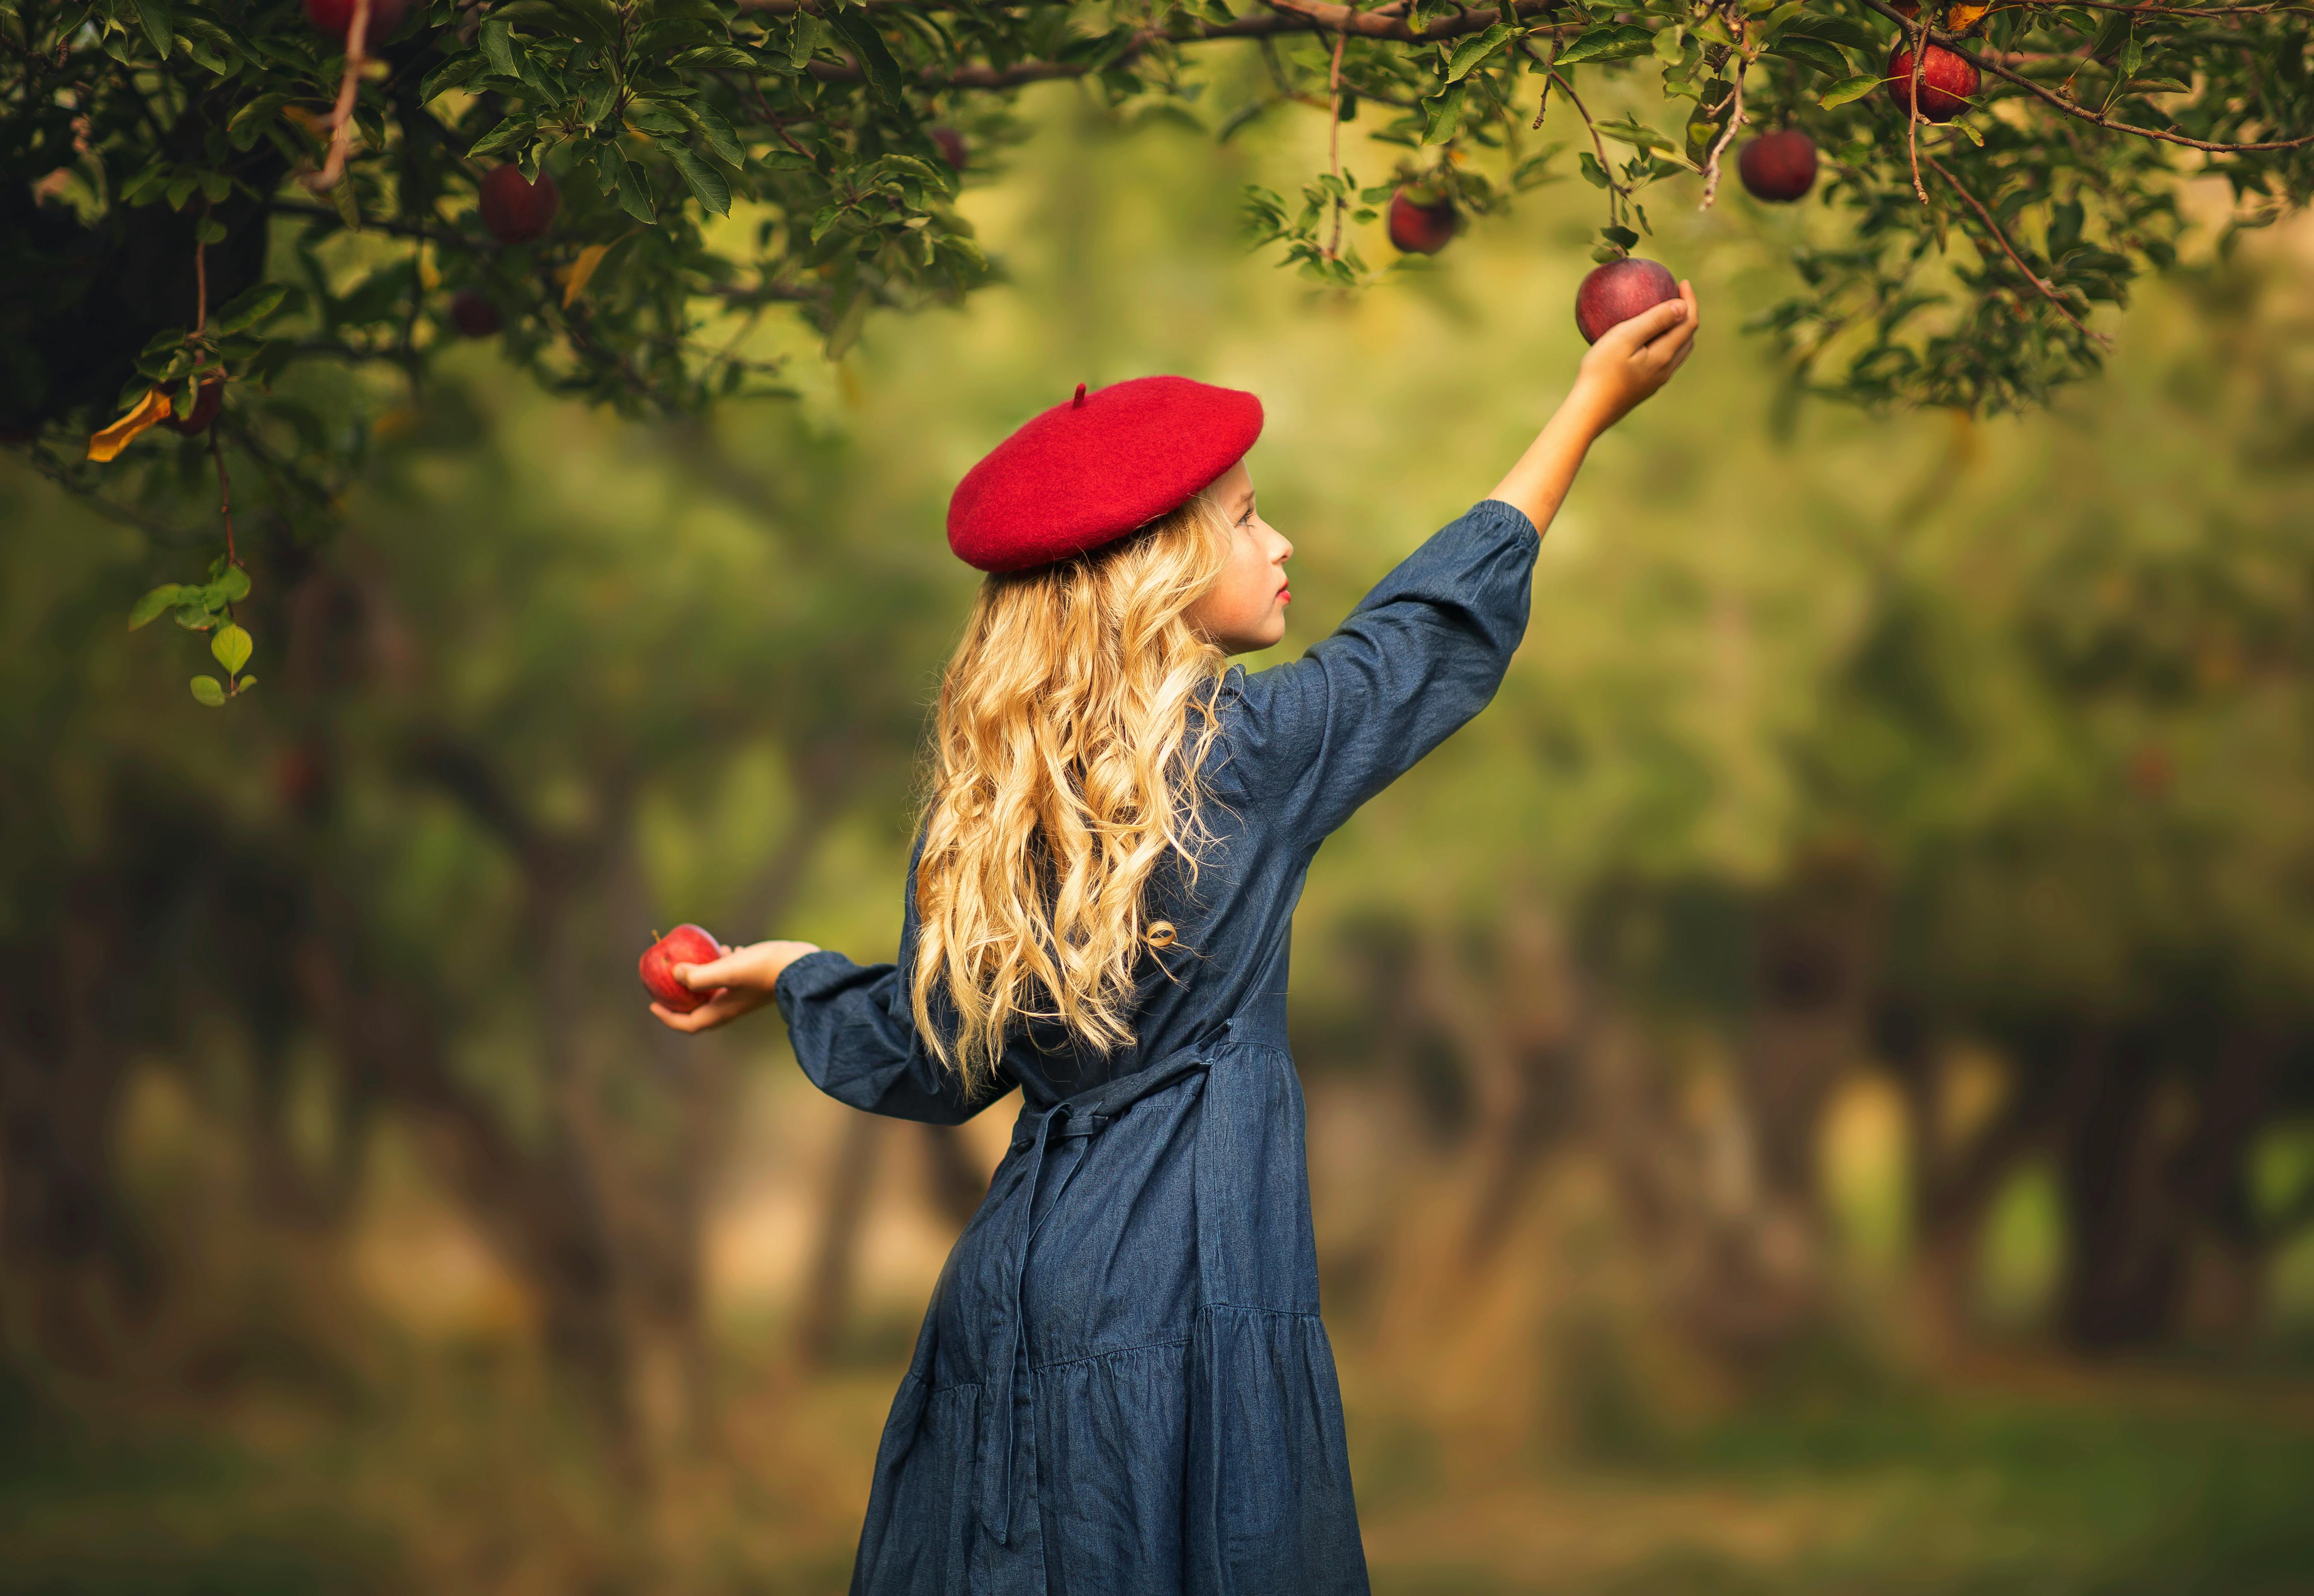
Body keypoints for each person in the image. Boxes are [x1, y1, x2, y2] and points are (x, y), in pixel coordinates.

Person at [654, 287, 1700, 1594]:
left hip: (1013, 1302)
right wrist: (1589, 407)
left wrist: (795, 974)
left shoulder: (989, 807)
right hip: (1189, 1291)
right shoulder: (1248, 760)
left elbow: (940, 1061)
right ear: (1160, 569)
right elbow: (1426, 633)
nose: (1283, 543)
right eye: (1248, 518)